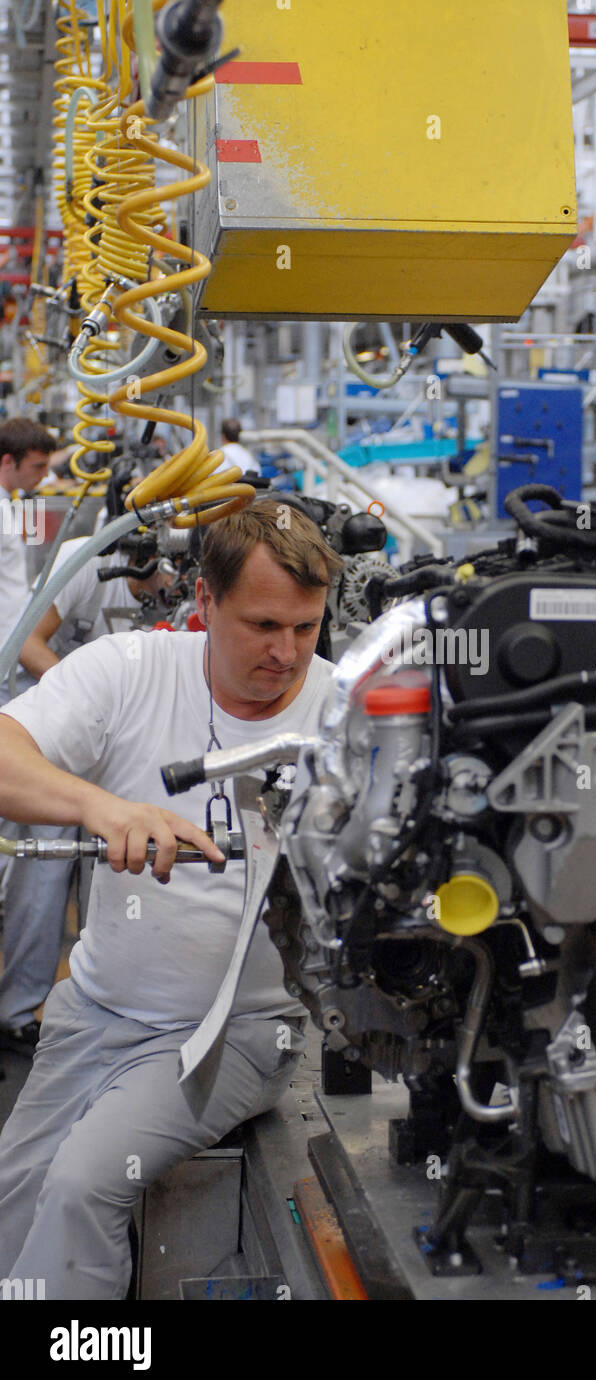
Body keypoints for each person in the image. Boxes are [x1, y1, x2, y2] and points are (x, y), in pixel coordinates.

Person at [0, 496, 343, 1299]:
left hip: (235, 1032)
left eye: (305, 627)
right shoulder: (131, 671)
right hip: (95, 1009)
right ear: (205, 604)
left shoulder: (347, 714)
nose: (286, 653)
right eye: (262, 625)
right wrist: (100, 806)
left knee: (86, 1183)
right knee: (16, 1200)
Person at [0, 537, 175, 1055]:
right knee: (45, 868)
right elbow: (27, 642)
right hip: (71, 722)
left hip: (137, 730)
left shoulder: (191, 573)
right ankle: (15, 1011)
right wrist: (96, 698)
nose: (159, 587)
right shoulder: (88, 558)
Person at [0, 417, 54, 699]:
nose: (45, 474)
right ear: (8, 461)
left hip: (13, 657)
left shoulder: (8, 504)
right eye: (38, 466)